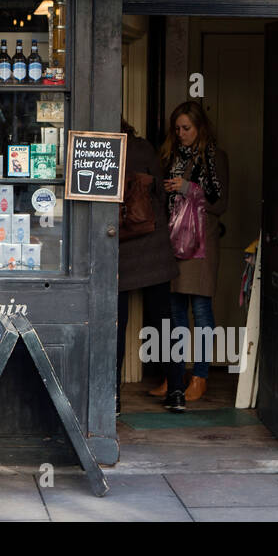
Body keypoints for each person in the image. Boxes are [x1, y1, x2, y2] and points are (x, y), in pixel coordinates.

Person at [160, 101, 228, 407]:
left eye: (186, 128)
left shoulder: (215, 158)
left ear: (200, 127)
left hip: (200, 243)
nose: (181, 134)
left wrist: (187, 188)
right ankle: (175, 378)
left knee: (200, 311)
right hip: (174, 240)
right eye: (177, 129)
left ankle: (200, 376)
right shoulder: (171, 156)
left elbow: (220, 203)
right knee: (175, 312)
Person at [116, 120, 180, 413]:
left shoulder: (104, 147)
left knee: (115, 325)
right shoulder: (144, 148)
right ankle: (176, 389)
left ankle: (112, 395)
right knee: (164, 321)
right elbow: (163, 194)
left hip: (118, 242)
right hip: (152, 239)